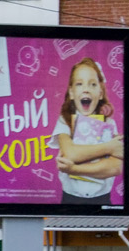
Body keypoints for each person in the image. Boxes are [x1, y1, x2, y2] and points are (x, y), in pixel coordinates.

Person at [48, 57, 123, 207]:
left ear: (100, 93)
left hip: (102, 201)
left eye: (93, 84)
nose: (86, 89)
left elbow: (115, 167)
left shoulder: (109, 124)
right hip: (70, 200)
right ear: (71, 92)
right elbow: (71, 154)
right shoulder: (65, 121)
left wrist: (74, 169)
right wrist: (109, 147)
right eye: (79, 84)